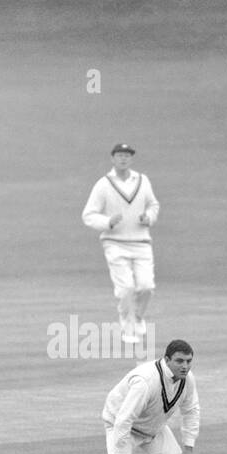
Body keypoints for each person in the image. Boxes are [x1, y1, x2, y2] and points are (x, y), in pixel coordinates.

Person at [82, 143, 160, 346]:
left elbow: (153, 204)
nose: (123, 159)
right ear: (112, 158)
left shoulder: (142, 181)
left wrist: (148, 217)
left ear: (131, 159)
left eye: (127, 155)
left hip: (141, 241)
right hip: (115, 243)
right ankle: (128, 326)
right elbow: (88, 215)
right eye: (119, 155)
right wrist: (107, 222)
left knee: (146, 287)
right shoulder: (104, 184)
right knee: (125, 288)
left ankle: (138, 317)